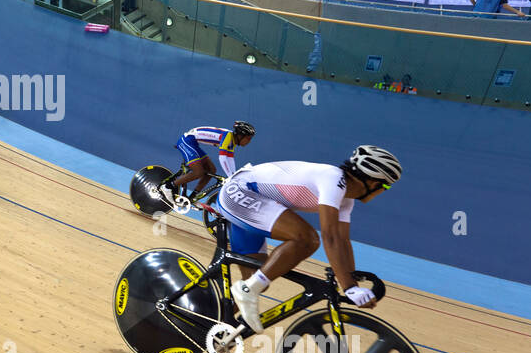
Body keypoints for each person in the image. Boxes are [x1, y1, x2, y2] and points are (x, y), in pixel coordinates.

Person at [217, 146, 402, 332]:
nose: (384, 191)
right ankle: (248, 290)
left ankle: (210, 322)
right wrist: (348, 287)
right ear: (371, 181)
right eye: (385, 186)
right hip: (241, 191)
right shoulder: (334, 179)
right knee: (306, 239)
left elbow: (343, 241)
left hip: (252, 197)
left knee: (259, 275)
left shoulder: (346, 200)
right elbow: (329, 237)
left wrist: (351, 282)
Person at [161, 122, 255, 205]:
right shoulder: (227, 137)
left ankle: (192, 197)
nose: (249, 141)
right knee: (198, 172)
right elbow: (222, 158)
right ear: (240, 135)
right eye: (248, 138)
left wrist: (233, 176)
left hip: (193, 143)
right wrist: (231, 177)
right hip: (187, 141)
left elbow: (230, 159)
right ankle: (168, 187)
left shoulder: (233, 141)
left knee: (211, 170)